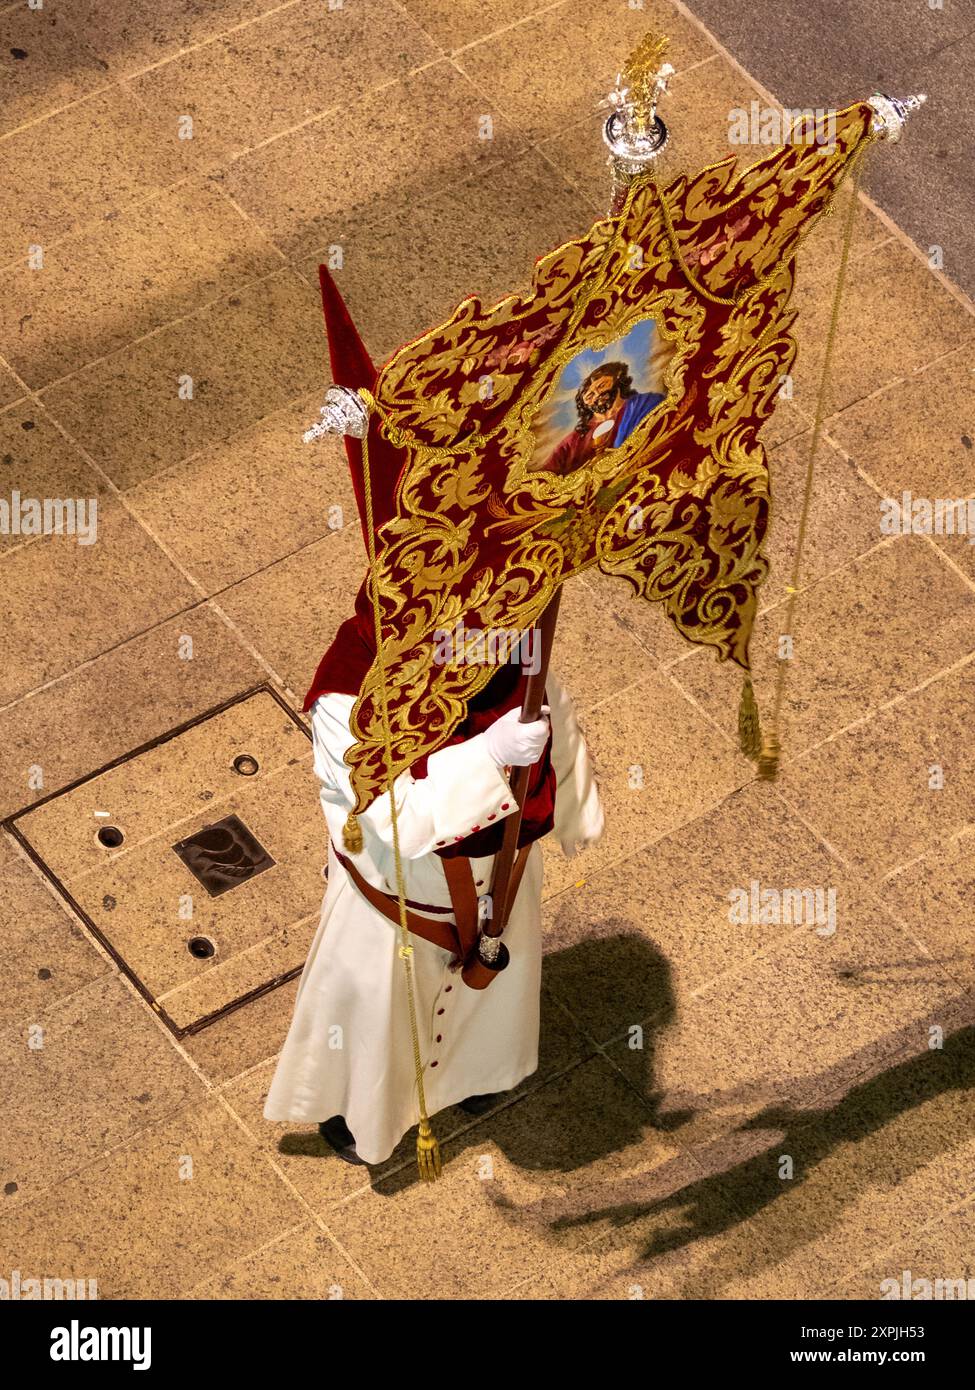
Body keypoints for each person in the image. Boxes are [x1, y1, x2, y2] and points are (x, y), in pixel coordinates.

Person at [262, 604, 604, 1167]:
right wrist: (487, 755)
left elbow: (549, 707)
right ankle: (360, 1111)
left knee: (494, 1004)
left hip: (504, 876)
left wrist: (574, 804)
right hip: (399, 901)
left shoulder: (507, 639)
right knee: (378, 1014)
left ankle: (480, 1073)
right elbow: (400, 821)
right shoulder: (347, 694)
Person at [544, 360, 664, 476]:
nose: (597, 395)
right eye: (589, 396)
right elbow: (547, 475)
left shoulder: (643, 404)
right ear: (584, 404)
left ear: (617, 380)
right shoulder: (573, 441)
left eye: (601, 386)